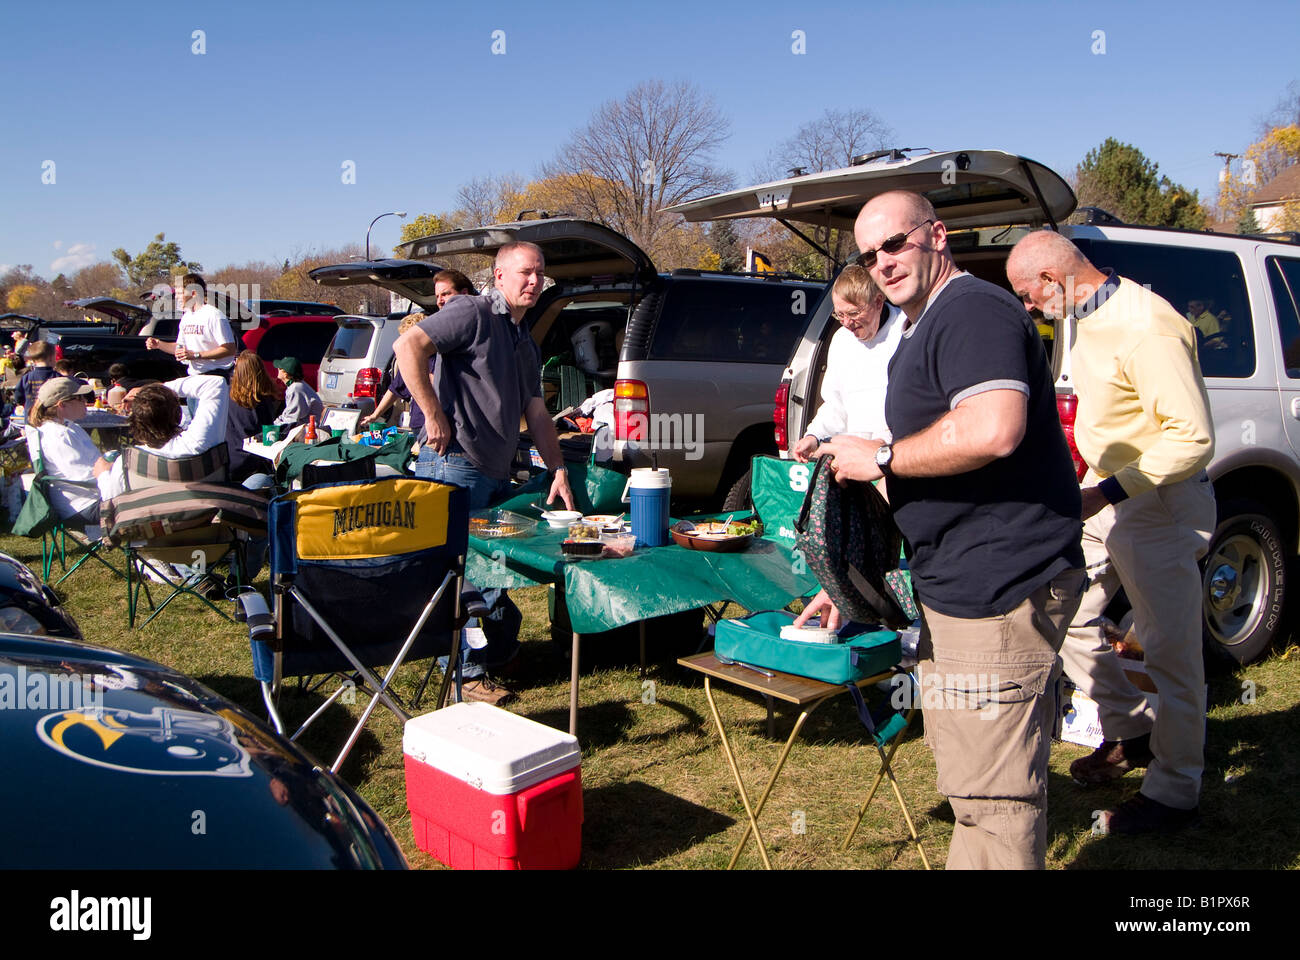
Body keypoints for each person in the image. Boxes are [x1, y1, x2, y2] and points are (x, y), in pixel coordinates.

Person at [803, 191, 1085, 869]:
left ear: (937, 234)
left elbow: (993, 429)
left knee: (994, 802)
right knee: (974, 786)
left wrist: (884, 456)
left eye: (895, 244)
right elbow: (939, 458)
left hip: (998, 586)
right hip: (956, 584)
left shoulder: (973, 310)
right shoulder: (923, 325)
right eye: (869, 256)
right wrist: (848, 578)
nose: (883, 264)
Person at [1007, 230, 1216, 835]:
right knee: (1067, 611)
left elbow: (1191, 438)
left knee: (1171, 651)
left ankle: (1175, 794)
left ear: (1052, 279)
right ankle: (1132, 730)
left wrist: (1107, 490)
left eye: (1027, 294)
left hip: (1159, 504)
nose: (1028, 307)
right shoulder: (1084, 316)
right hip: (1108, 494)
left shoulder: (1148, 326)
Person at [394, 241, 576, 701]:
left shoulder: (523, 341)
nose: (534, 281)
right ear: (498, 276)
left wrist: (556, 467)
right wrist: (433, 415)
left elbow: (535, 411)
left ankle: (495, 654)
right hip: (454, 464)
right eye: (524, 273)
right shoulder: (472, 312)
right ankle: (467, 676)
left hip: (496, 473)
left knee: (491, 568)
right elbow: (407, 345)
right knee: (458, 574)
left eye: (539, 273)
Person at [793, 265, 905, 462]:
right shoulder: (841, 340)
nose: (846, 323)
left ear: (878, 301)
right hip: (855, 459)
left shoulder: (905, 330)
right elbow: (835, 404)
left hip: (898, 456)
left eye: (853, 313)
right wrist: (814, 436)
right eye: (839, 314)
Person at [360, 268, 477, 434]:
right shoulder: (417, 359)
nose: (440, 301)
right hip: (423, 423)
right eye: (437, 296)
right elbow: (395, 388)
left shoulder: (454, 343)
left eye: (445, 294)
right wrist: (375, 415)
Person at [97, 375, 230, 501]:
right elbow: (215, 383)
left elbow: (112, 501)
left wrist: (103, 475)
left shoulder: (127, 462)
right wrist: (158, 388)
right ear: (178, 415)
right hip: (208, 520)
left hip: (152, 522)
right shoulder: (199, 443)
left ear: (135, 421)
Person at [25, 378, 112, 523]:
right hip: (82, 505)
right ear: (62, 404)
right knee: (145, 500)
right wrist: (116, 474)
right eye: (79, 398)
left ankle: (139, 543)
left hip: (91, 497)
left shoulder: (69, 427)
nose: (85, 400)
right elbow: (84, 476)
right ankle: (138, 543)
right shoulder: (58, 435)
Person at [146, 273, 237, 377]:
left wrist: (195, 355)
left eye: (180, 293)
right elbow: (180, 347)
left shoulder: (214, 315)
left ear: (193, 293)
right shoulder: (186, 317)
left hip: (216, 375)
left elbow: (230, 349)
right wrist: (158, 344)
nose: (177, 297)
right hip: (194, 375)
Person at [226, 350, 283, 483]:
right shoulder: (261, 400)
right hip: (251, 462)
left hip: (226, 460)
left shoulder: (225, 395)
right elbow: (269, 437)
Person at [272, 357, 323, 428]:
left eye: (280, 368)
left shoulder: (296, 388)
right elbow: (288, 414)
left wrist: (275, 426)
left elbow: (292, 418)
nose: (277, 369)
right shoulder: (296, 386)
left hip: (305, 429)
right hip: (299, 426)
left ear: (286, 374)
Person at [15, 341, 57, 413]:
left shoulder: (26, 377)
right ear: (51, 358)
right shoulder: (57, 377)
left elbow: (18, 397)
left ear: (33, 360)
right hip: (51, 416)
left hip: (30, 416)